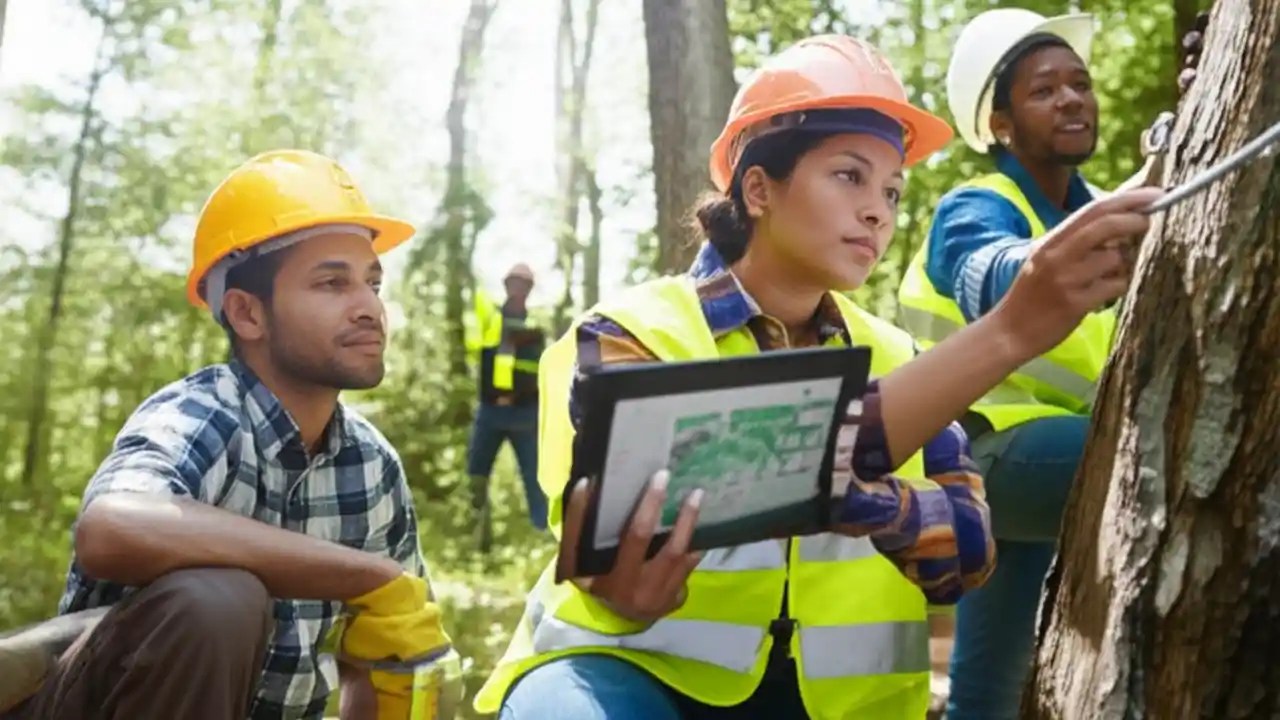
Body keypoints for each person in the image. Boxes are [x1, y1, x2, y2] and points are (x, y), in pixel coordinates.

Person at [472, 34, 1162, 720]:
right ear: (758, 189)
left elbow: (966, 554)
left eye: (891, 190)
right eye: (849, 176)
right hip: (625, 681)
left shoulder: (897, 356)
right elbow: (621, 522)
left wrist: (865, 496)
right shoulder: (629, 332)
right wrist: (1006, 333)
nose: (878, 211)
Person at [4, 150, 453, 720]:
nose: (369, 307)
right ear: (247, 314)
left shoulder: (373, 465)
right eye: (332, 283)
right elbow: (110, 525)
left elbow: (380, 656)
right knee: (215, 602)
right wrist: (365, 574)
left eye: (372, 282)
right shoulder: (202, 414)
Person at [895, 9, 1194, 719]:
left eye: (1080, 84)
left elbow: (1125, 213)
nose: (1071, 99)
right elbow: (991, 270)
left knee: (989, 689)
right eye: (1043, 90)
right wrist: (1038, 268)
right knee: (1163, 466)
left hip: (1043, 461)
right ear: (999, 124)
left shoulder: (1098, 209)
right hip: (983, 459)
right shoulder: (976, 204)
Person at [468, 262, 548, 551]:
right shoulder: (490, 318)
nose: (518, 289)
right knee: (477, 475)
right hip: (490, 411)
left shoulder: (537, 321)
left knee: (535, 477)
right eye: (514, 283)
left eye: (524, 284)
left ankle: (540, 539)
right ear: (506, 285)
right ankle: (477, 539)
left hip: (525, 413)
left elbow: (540, 367)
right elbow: (480, 351)